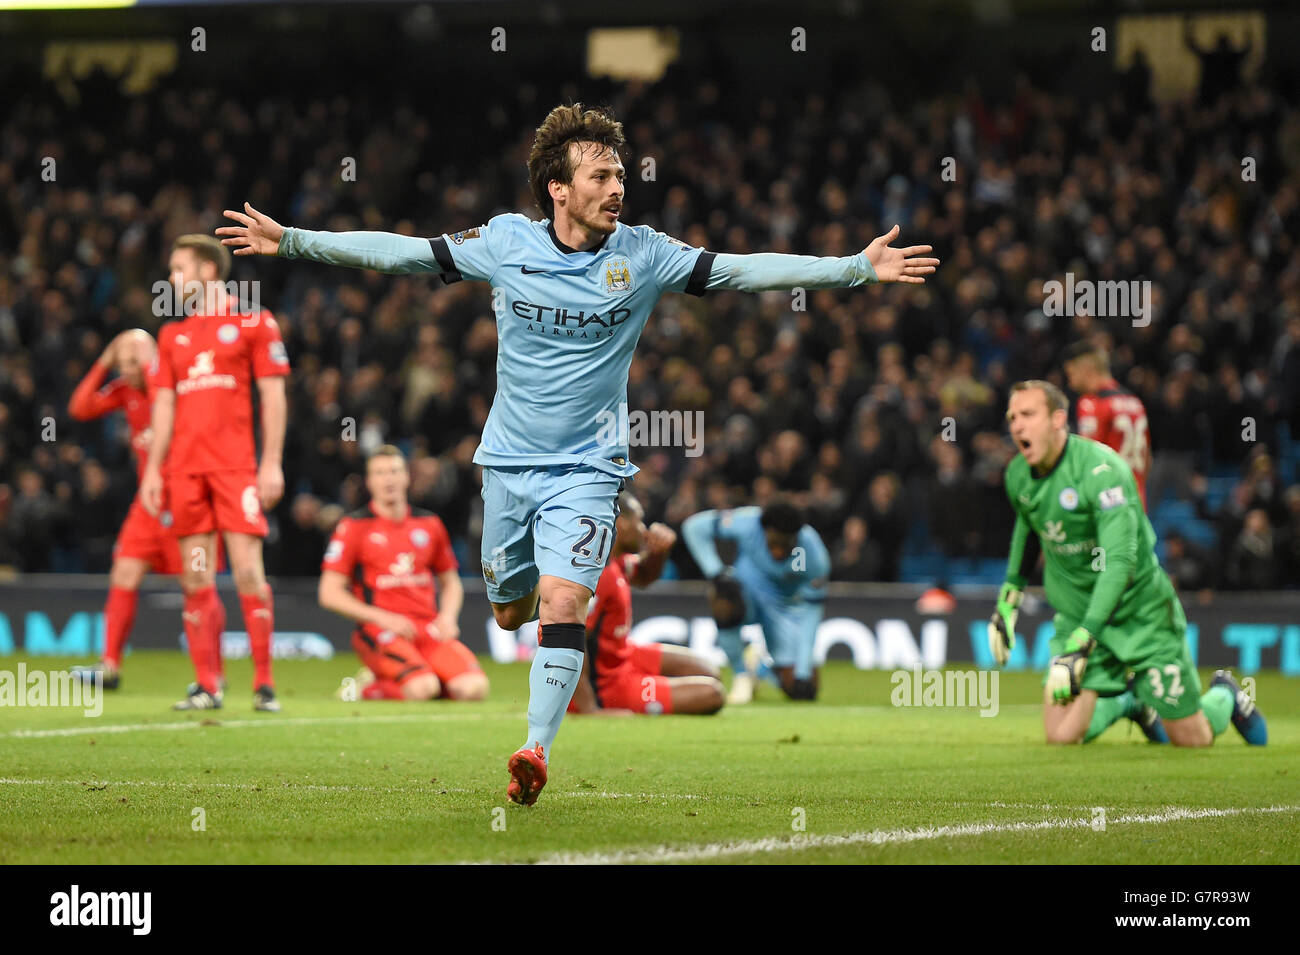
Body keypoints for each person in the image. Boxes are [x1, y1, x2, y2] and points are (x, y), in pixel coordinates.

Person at [216, 102, 937, 804]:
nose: (616, 187)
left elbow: (744, 270)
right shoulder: (505, 242)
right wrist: (295, 240)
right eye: (598, 176)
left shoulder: (645, 255)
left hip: (591, 470)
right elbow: (406, 254)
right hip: (507, 463)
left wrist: (853, 268)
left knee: (565, 600)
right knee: (508, 611)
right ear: (557, 187)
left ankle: (534, 748)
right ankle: (521, 618)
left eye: (620, 173)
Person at [987, 380, 1267, 747]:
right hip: (1078, 612)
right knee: (1060, 735)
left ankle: (1225, 696)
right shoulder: (1018, 476)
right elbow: (1029, 525)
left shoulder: (1103, 471)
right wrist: (1009, 601)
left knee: (1191, 739)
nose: (1016, 426)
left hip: (1139, 611)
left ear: (1058, 419)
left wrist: (1083, 639)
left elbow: (1119, 564)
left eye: (1027, 414)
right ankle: (1129, 701)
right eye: (1012, 417)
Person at [139, 235, 290, 712]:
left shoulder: (254, 321)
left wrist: (271, 462)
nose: (172, 279)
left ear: (207, 270)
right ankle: (208, 684)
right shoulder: (172, 336)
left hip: (235, 469)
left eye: (178, 269)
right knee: (196, 577)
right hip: (185, 473)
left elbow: (273, 396)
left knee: (247, 572)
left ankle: (263, 684)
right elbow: (162, 409)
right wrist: (153, 472)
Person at [67, 330, 188, 690]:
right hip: (147, 504)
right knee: (123, 574)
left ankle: (211, 675)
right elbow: (78, 407)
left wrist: (148, 361)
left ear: (152, 361)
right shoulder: (124, 392)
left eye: (133, 363)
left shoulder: (170, 387)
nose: (127, 371)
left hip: (183, 500)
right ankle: (110, 666)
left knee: (196, 585)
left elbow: (159, 384)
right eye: (122, 365)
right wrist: (105, 360)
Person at [318, 445, 486, 701]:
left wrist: (448, 618)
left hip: (426, 629)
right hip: (379, 631)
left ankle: (403, 677)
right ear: (369, 481)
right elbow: (329, 593)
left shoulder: (429, 524)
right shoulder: (354, 527)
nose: (389, 479)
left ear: (407, 477)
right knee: (423, 689)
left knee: (474, 689)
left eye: (395, 471)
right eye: (380, 473)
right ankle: (365, 690)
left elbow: (451, 582)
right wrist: (381, 618)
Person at [568, 491, 723, 716]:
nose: (643, 529)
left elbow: (644, 577)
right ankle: (612, 698)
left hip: (623, 655)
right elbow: (575, 639)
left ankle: (647, 685)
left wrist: (659, 552)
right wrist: (589, 707)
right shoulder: (598, 574)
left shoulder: (616, 563)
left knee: (710, 671)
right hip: (608, 684)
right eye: (638, 521)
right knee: (712, 694)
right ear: (620, 523)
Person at [681, 498, 830, 704]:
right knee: (723, 595)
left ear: (796, 537)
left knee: (803, 691)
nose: (778, 551)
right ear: (764, 531)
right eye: (773, 543)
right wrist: (716, 572)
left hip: (784, 608)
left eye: (784, 545)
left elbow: (811, 615)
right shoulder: (748, 522)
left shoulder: (813, 554)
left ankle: (759, 668)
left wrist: (803, 671)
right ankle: (741, 674)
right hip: (745, 594)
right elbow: (693, 527)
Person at [1062, 341, 1151, 508]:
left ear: (1086, 370)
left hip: (1109, 503)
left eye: (1071, 374)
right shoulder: (1134, 402)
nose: (1070, 382)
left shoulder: (1092, 403)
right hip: (1137, 501)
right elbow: (1147, 459)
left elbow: (1088, 458)